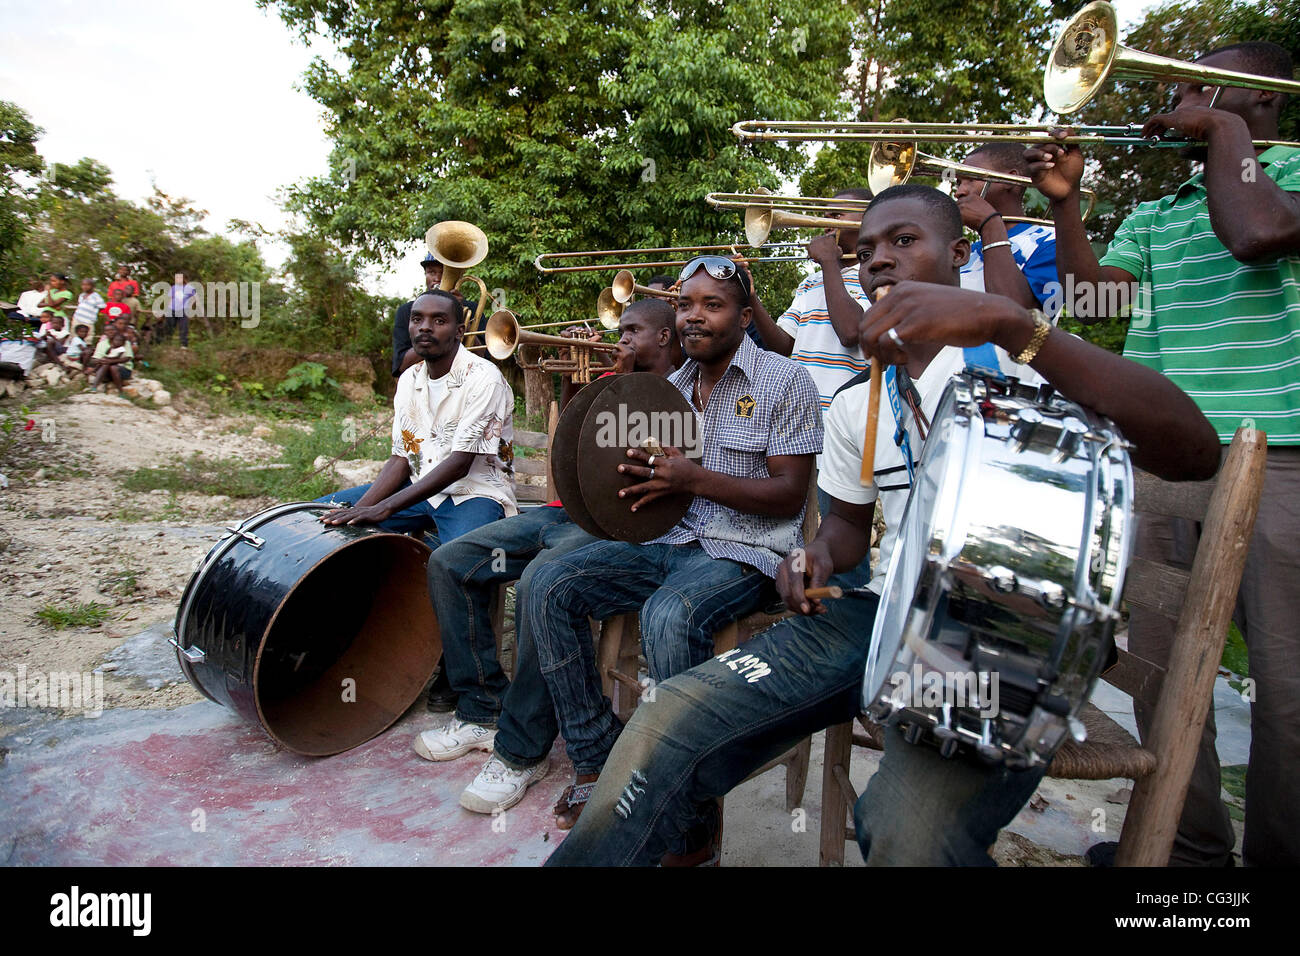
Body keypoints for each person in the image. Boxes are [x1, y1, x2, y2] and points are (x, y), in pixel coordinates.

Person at [543, 184, 1220, 867]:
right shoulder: (858, 405)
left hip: (992, 642)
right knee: (667, 720)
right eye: (865, 251)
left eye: (903, 241)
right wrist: (814, 560)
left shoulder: (1025, 359)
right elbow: (843, 530)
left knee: (904, 832)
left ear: (959, 255)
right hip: (873, 617)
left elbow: (1193, 450)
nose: (877, 261)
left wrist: (1011, 323)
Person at [1026, 41, 1300, 868]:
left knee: (1287, 692)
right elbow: (1091, 298)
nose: (1175, 99)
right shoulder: (1160, 211)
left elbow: (1258, 234)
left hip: (1282, 454)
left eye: (1200, 88)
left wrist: (1221, 132)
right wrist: (1068, 205)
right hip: (1165, 462)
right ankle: (1190, 852)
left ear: (1264, 97)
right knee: (1158, 669)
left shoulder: (1284, 179)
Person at [450, 255, 823, 825]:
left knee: (669, 616)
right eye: (685, 306)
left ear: (746, 317)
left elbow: (789, 495)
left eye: (712, 305)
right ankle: (597, 761)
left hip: (745, 551)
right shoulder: (666, 387)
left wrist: (693, 478)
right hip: (666, 540)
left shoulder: (783, 380)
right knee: (547, 582)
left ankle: (684, 819)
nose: (693, 318)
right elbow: (620, 472)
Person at [414, 298, 682, 744]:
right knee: (449, 562)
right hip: (562, 515)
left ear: (664, 337)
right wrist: (579, 382)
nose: (623, 339)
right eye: (623, 331)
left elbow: (643, 449)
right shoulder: (613, 381)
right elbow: (572, 444)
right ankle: (481, 706)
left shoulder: (677, 393)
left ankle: (525, 732)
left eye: (633, 331)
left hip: (613, 527)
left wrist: (629, 379)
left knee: (542, 580)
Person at [318, 289, 517, 544]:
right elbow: (401, 457)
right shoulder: (409, 379)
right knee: (318, 516)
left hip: (474, 493)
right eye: (416, 319)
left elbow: (460, 464)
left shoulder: (485, 379)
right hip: (419, 489)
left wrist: (384, 508)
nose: (425, 327)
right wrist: (359, 510)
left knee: (459, 562)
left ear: (459, 332)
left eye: (439, 321)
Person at [746, 190, 873, 410]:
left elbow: (851, 332)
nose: (826, 223)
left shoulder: (874, 275)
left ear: (868, 219)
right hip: (800, 412)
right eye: (825, 216)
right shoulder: (811, 282)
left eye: (836, 215)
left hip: (847, 414)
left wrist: (828, 261)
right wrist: (752, 297)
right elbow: (782, 347)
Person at [952, 143, 1062, 316]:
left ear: (1009, 181)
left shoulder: (1052, 241)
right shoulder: (969, 250)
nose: (959, 192)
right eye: (959, 183)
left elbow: (1019, 316)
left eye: (971, 179)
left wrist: (990, 224)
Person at [392, 253, 445, 377]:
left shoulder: (470, 308)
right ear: (425, 275)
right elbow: (401, 366)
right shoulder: (406, 311)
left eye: (443, 273)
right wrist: (434, 342)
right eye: (431, 272)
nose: (437, 278)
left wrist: (459, 313)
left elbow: (483, 357)